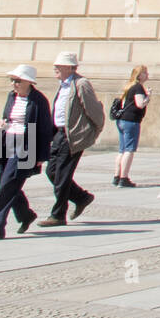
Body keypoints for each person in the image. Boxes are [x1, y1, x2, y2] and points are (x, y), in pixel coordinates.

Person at [0, 65, 54, 241]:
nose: (14, 84)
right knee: (6, 184)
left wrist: (40, 157)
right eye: (12, 80)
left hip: (26, 146)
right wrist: (2, 123)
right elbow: (8, 117)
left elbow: (45, 130)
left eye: (18, 80)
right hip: (6, 143)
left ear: (29, 82)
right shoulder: (11, 97)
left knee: (8, 186)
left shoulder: (39, 100)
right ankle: (25, 215)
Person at [38, 52, 104, 227]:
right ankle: (82, 197)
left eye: (58, 66)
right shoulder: (63, 85)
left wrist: (93, 132)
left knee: (62, 175)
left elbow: (95, 110)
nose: (55, 69)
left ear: (69, 67)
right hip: (58, 134)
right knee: (52, 172)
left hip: (72, 135)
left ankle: (58, 215)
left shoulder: (81, 84)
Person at [113, 65, 151, 187]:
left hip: (122, 120)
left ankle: (117, 176)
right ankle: (124, 178)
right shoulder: (138, 87)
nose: (147, 75)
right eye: (145, 73)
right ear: (139, 75)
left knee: (122, 150)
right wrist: (148, 97)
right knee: (129, 150)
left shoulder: (129, 86)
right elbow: (140, 104)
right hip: (131, 121)